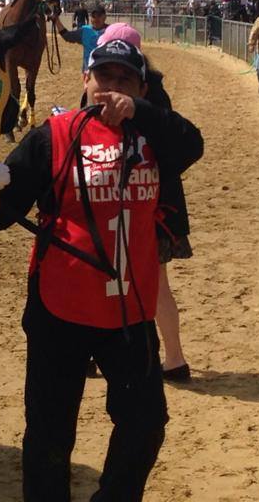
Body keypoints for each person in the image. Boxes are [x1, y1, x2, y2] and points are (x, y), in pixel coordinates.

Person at [0, 38, 204, 502]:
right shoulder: (54, 134)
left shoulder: (153, 139)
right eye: (103, 76)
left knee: (146, 424)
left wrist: (140, 113)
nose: (112, 87)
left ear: (141, 88)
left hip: (129, 313)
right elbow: (6, 203)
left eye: (124, 79)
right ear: (85, 81)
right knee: (49, 436)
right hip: (58, 309)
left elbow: (193, 143)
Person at [92, 23, 193, 380]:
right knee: (154, 283)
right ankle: (175, 357)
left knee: (139, 281)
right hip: (153, 204)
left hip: (141, 207)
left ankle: (170, 355)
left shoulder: (140, 102)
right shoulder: (156, 95)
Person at [59, 3, 108, 71]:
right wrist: (56, 20)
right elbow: (67, 36)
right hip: (89, 73)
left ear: (104, 17)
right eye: (93, 16)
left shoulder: (112, 31)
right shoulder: (85, 31)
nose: (96, 19)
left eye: (99, 16)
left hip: (106, 72)